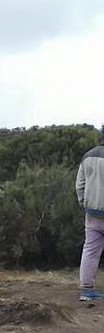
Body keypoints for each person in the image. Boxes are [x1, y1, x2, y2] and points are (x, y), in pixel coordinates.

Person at [76, 125, 104, 301]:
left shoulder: (88, 156)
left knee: (90, 250)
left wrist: (83, 203)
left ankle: (86, 288)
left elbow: (80, 184)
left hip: (93, 212)